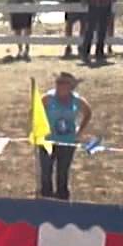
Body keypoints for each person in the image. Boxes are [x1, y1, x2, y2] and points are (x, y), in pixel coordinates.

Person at [40, 72, 92, 200]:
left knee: (63, 173)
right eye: (58, 82)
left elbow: (88, 113)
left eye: (64, 83)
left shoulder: (77, 100)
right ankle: (46, 199)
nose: (60, 85)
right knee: (46, 172)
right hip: (47, 141)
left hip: (67, 142)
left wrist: (80, 131)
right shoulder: (47, 98)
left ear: (71, 86)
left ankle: (62, 200)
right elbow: (35, 112)